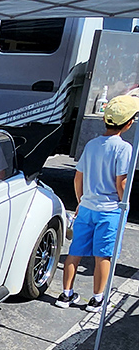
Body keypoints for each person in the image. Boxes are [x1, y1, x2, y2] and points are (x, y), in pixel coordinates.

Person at [56, 93, 139, 310]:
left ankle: (65, 295)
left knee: (75, 252)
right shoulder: (124, 148)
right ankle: (97, 298)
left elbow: (78, 177)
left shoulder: (91, 145)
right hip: (109, 210)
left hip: (86, 207)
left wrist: (80, 200)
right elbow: (121, 183)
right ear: (129, 123)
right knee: (103, 255)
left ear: (104, 119)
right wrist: (125, 204)